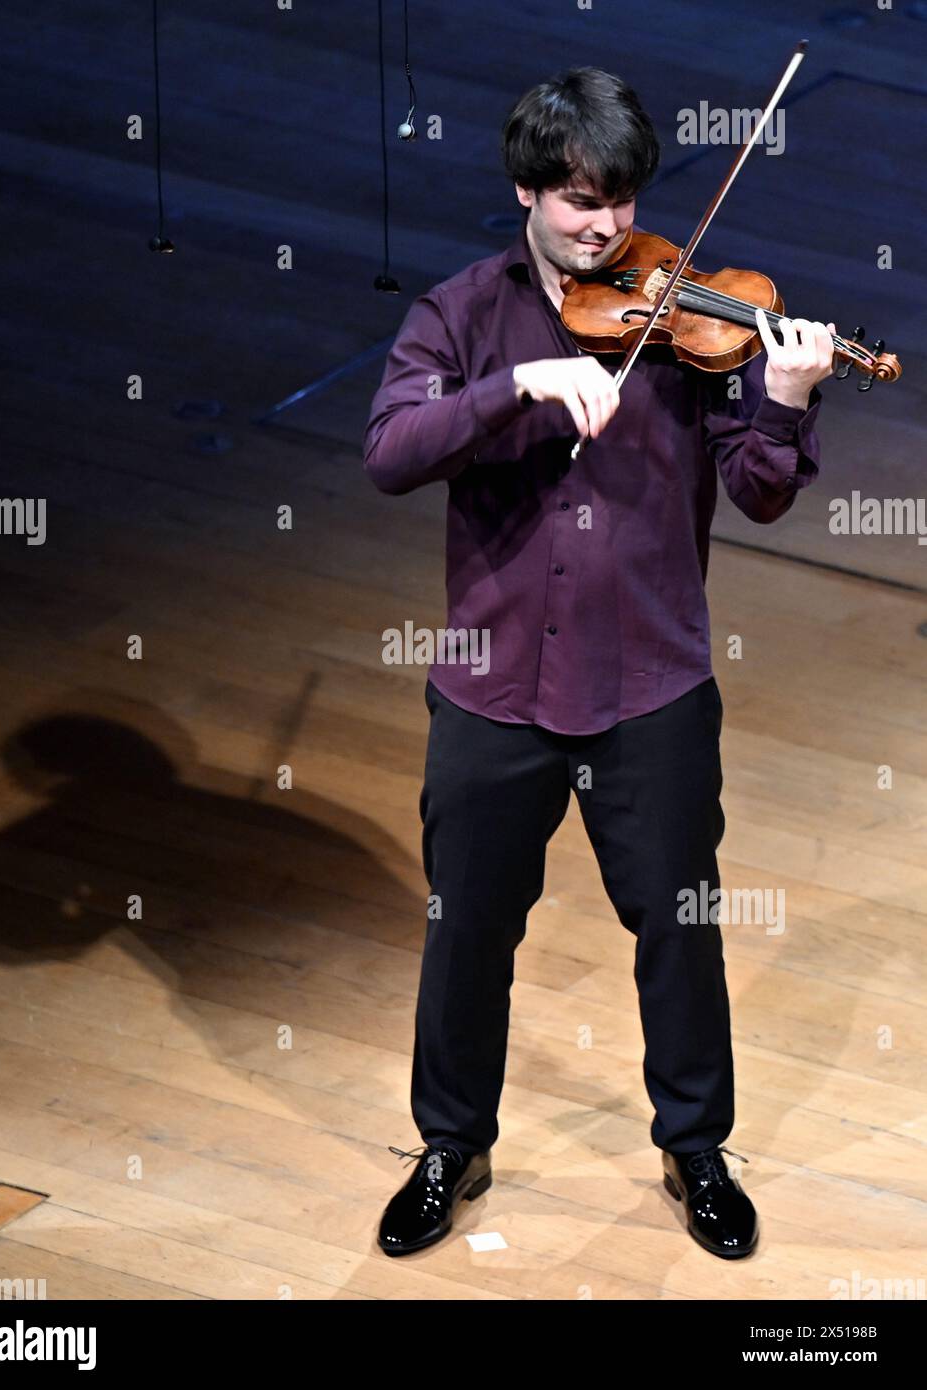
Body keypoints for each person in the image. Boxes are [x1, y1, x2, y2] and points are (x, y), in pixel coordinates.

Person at [362, 67, 835, 1259]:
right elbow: (388, 450)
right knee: (465, 926)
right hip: (494, 687)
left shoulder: (688, 317)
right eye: (580, 203)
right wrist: (515, 386)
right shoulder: (462, 312)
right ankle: (449, 1144)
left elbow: (762, 492)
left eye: (621, 201)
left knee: (680, 929)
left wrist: (779, 400)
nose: (609, 230)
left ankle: (695, 1149)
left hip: (650, 688)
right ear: (524, 187)